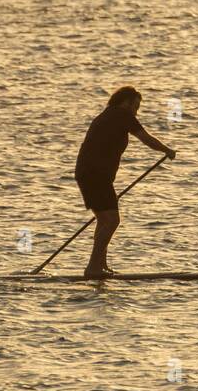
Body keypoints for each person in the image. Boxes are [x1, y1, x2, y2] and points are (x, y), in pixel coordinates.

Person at [75, 86, 175, 279]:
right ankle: (93, 267)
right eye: (136, 106)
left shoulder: (107, 115)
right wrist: (167, 150)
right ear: (126, 102)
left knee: (105, 220)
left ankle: (99, 266)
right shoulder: (122, 114)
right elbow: (146, 138)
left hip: (89, 173)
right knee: (112, 220)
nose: (136, 111)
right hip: (95, 175)